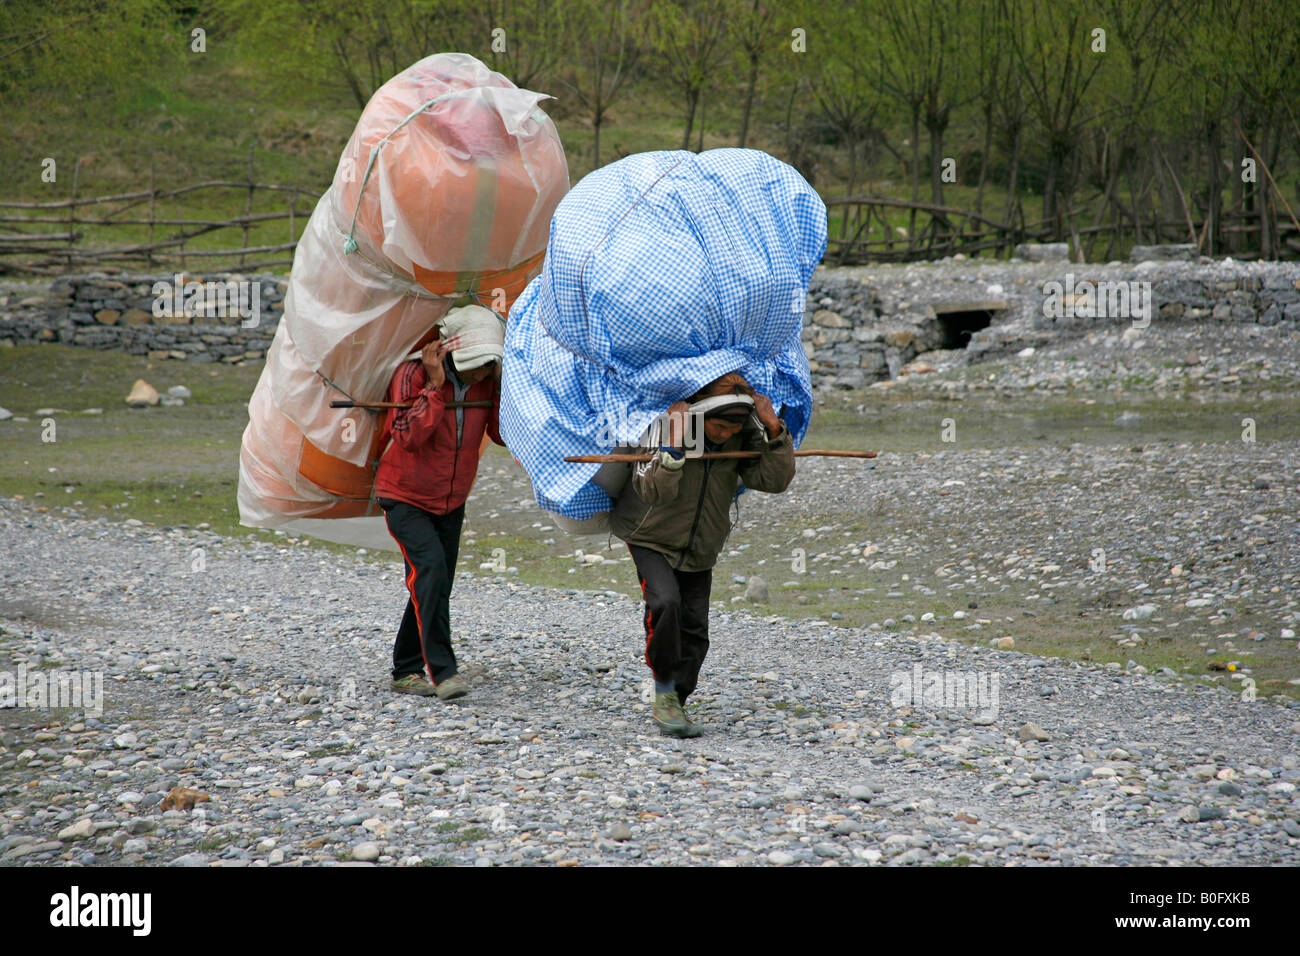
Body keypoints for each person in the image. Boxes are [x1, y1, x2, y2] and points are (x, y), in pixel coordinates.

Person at [610, 372, 796, 737]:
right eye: (720, 426)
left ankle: (677, 699)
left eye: (733, 428)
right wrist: (675, 444)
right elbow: (651, 490)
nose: (726, 434)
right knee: (665, 603)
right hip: (649, 536)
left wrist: (774, 428)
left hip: (701, 544)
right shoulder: (663, 428)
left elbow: (773, 481)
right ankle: (664, 690)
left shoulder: (742, 436)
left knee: (695, 630)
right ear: (701, 415)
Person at [374, 304, 505, 700]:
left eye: (488, 365)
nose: (480, 372)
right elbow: (408, 436)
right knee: (429, 572)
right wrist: (433, 387)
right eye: (476, 365)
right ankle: (444, 672)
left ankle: (405, 669)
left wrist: (503, 384)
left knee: (434, 583)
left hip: (452, 499)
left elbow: (500, 434)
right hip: (404, 496)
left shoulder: (487, 384)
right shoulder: (412, 375)